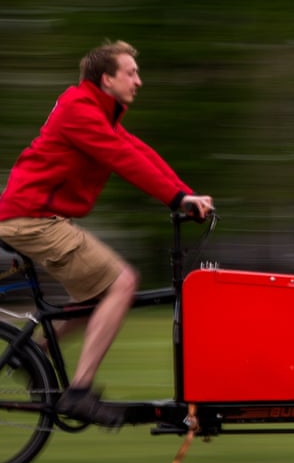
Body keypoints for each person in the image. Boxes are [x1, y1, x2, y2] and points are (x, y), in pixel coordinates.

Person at [0, 40, 213, 427]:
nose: (139, 81)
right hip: (32, 218)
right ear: (106, 78)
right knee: (122, 283)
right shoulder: (79, 111)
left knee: (98, 298)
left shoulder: (97, 113)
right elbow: (123, 159)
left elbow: (138, 151)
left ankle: (31, 354)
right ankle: (79, 392)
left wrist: (184, 194)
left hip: (37, 217)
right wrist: (178, 197)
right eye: (130, 73)